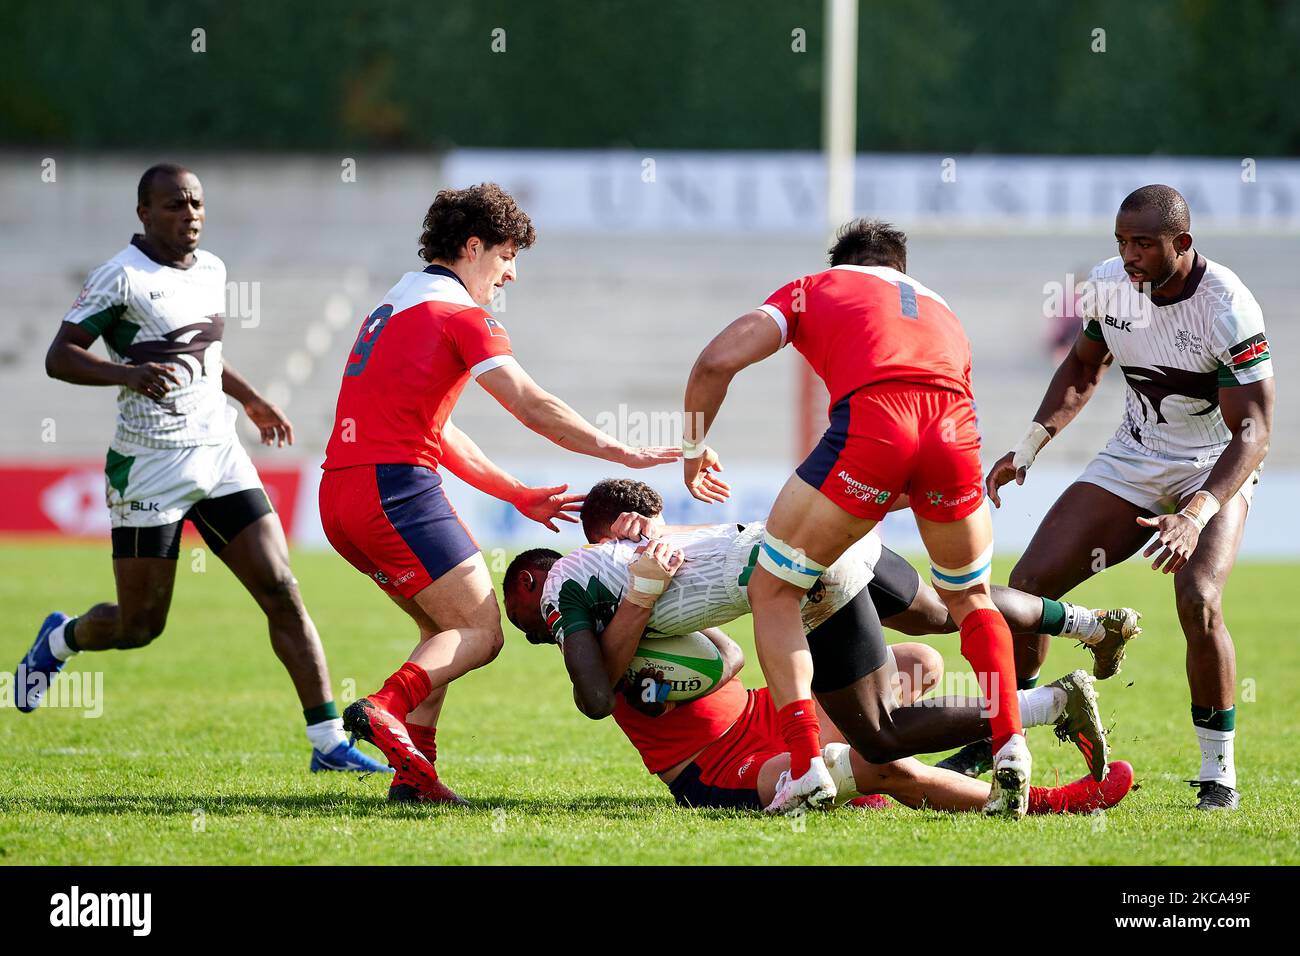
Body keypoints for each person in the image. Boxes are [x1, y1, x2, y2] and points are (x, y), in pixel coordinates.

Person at [16, 163, 385, 773]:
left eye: (196, 203)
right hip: (150, 465)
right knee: (140, 626)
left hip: (219, 454)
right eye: (174, 205)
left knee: (282, 589)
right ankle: (61, 638)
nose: (189, 214)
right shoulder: (120, 278)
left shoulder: (211, 268)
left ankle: (328, 744)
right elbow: (61, 356)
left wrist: (251, 398)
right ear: (144, 213)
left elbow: (204, 352)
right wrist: (128, 373)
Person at [321, 183, 678, 803]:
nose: (511, 274)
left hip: (341, 497)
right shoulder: (460, 314)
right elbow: (531, 404)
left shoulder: (394, 304)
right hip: (395, 490)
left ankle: (415, 777)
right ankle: (384, 707)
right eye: (507, 256)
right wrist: (620, 450)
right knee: (482, 632)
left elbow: (438, 429)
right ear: (473, 246)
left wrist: (515, 493)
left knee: (443, 633)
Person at [681, 220, 1030, 815]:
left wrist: (693, 449)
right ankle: (1011, 742)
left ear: (840, 262)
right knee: (971, 598)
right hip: (954, 433)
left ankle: (806, 767)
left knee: (774, 589)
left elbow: (715, 362)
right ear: (900, 269)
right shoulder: (941, 308)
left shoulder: (814, 287)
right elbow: (937, 415)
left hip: (875, 423)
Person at [975, 185, 1273, 811]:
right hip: (1134, 456)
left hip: (1212, 464)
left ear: (1181, 244)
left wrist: (1195, 514)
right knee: (1028, 585)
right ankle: (1004, 741)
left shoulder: (1228, 307)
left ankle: (1218, 774)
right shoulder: (1110, 284)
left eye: (1143, 244)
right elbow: (1084, 367)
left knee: (1198, 598)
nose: (1128, 256)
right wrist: (1027, 447)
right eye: (1121, 242)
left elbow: (1253, 430)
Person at [502, 543, 1133, 815]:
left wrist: (658, 602)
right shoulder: (592, 642)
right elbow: (607, 697)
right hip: (718, 767)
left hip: (761, 712)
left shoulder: (645, 586)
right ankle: (1053, 798)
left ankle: (898, 769)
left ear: (535, 580)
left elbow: (731, 658)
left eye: (519, 613)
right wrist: (643, 616)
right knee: (878, 762)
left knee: (921, 662)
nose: (532, 633)